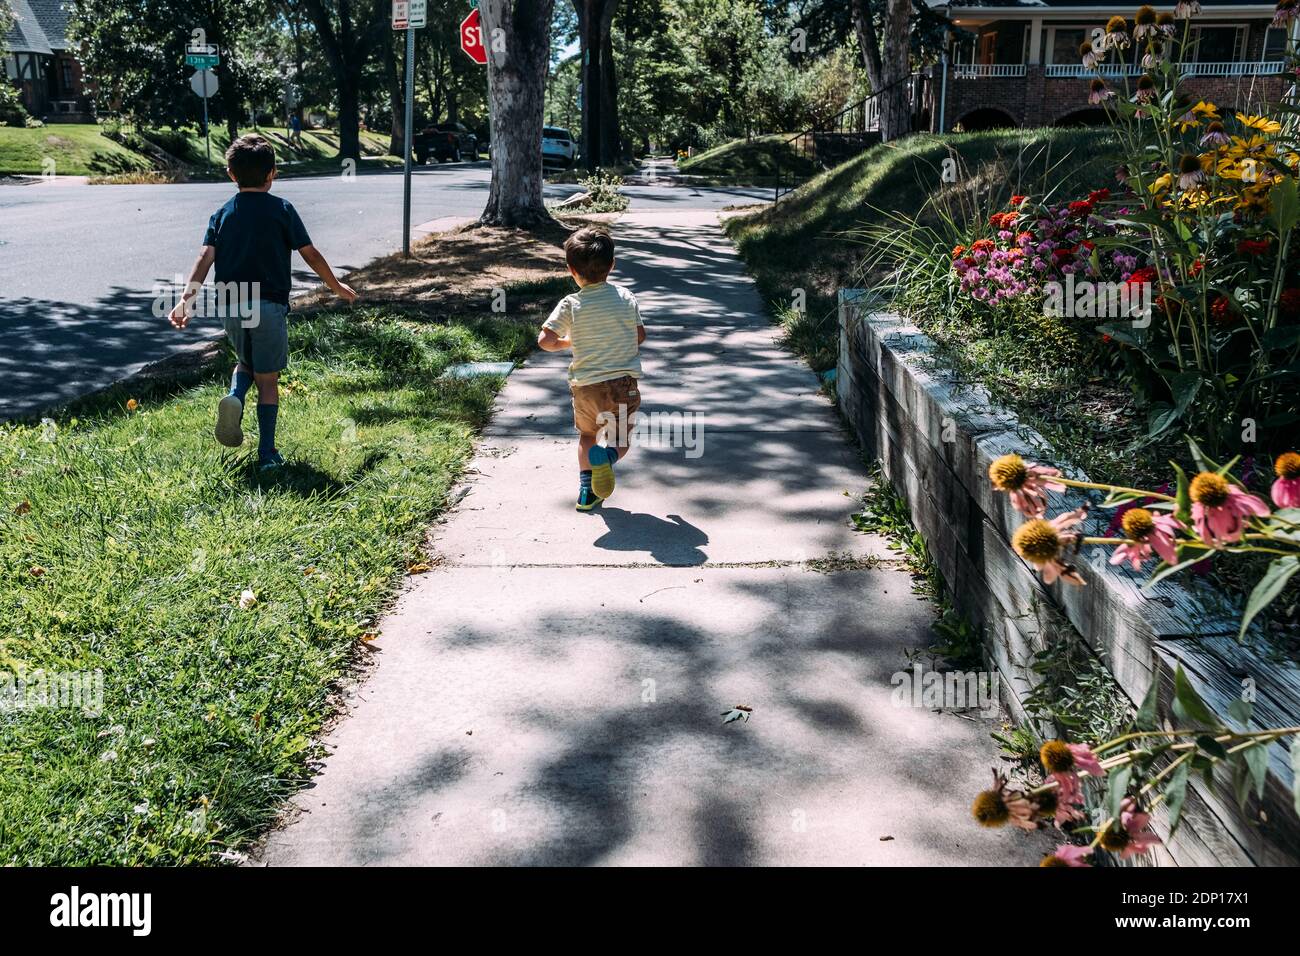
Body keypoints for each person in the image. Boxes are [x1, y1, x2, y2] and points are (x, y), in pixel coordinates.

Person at [167, 133, 357, 470]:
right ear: (272, 173)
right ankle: (267, 454)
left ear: (231, 174)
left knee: (245, 361)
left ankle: (236, 396)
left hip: (229, 302)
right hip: (267, 303)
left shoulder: (222, 213)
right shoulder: (282, 209)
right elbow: (309, 254)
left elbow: (204, 257)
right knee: (268, 380)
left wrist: (186, 299)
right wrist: (335, 285)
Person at [537, 227, 646, 511]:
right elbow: (640, 335)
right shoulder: (625, 297)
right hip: (623, 385)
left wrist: (568, 343)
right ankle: (608, 458)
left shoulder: (571, 304)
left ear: (571, 269)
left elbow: (545, 341)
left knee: (587, 436)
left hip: (586, 387)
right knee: (620, 438)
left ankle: (587, 494)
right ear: (612, 265)